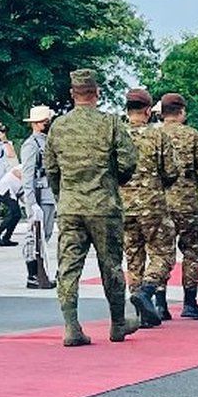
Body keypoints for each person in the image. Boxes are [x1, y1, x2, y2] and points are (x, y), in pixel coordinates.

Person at [42, 68, 140, 347]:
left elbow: (51, 168)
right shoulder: (110, 123)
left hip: (71, 207)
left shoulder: (58, 126)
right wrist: (113, 182)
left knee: (69, 266)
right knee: (111, 265)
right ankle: (118, 323)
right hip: (103, 206)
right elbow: (128, 162)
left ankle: (71, 326)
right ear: (97, 93)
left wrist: (63, 195)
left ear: (72, 94)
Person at [121, 88, 178, 326]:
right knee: (163, 253)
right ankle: (146, 291)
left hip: (124, 205)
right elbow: (171, 171)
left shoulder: (118, 136)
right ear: (147, 110)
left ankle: (140, 311)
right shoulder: (158, 136)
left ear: (127, 110)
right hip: (152, 204)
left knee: (133, 256)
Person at [158, 92, 198, 320]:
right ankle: (190, 302)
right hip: (187, 203)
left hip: (160, 204)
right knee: (192, 251)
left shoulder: (154, 134)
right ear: (181, 111)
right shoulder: (192, 135)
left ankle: (160, 304)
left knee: (161, 253)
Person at [19, 104, 58, 289]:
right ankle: (32, 274)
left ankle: (40, 273)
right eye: (44, 121)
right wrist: (32, 202)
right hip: (39, 195)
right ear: (35, 123)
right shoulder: (31, 144)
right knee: (34, 236)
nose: (47, 124)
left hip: (49, 194)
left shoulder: (48, 141)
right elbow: (27, 176)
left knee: (45, 234)